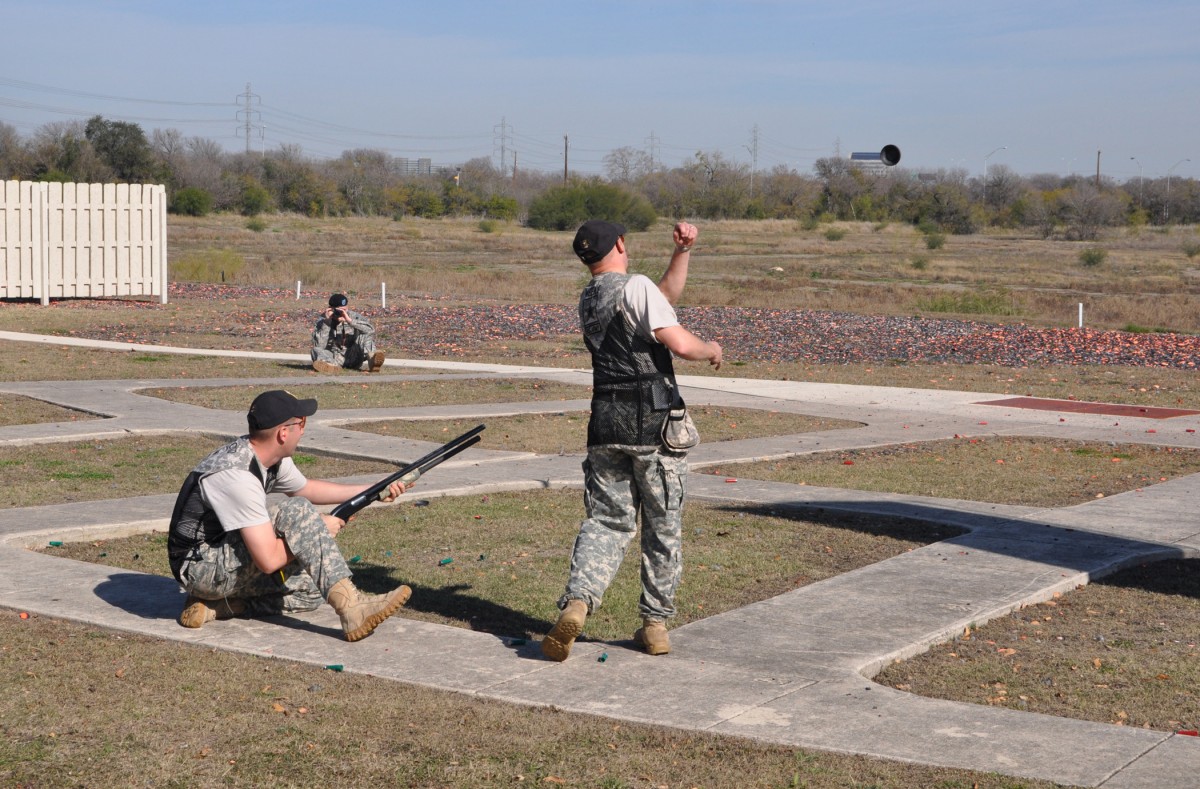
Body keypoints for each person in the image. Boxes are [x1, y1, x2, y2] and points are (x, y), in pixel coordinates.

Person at [542, 220, 722, 661]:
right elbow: (680, 344)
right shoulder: (635, 286)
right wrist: (711, 348)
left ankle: (578, 603)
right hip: (653, 425)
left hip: (605, 424)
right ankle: (655, 625)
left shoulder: (591, 296)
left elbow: (661, 301)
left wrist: (682, 252)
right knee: (662, 525)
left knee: (606, 522)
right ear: (621, 244)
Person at [167, 389, 411, 641]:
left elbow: (306, 488)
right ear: (283, 432)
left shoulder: (267, 457)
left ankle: (221, 606)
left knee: (313, 588)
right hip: (200, 568)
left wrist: (374, 490)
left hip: (222, 558)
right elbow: (268, 560)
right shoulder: (238, 476)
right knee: (297, 510)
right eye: (301, 423)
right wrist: (315, 529)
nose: (303, 430)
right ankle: (353, 609)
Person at [311, 293, 386, 373]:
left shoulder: (355, 317)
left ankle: (372, 361)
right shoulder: (322, 321)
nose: (342, 312)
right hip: (334, 357)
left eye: (345, 309)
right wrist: (327, 323)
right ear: (330, 309)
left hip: (353, 355)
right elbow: (320, 345)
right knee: (315, 350)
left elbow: (370, 330)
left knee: (365, 335)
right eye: (339, 310)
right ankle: (329, 366)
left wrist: (350, 321)